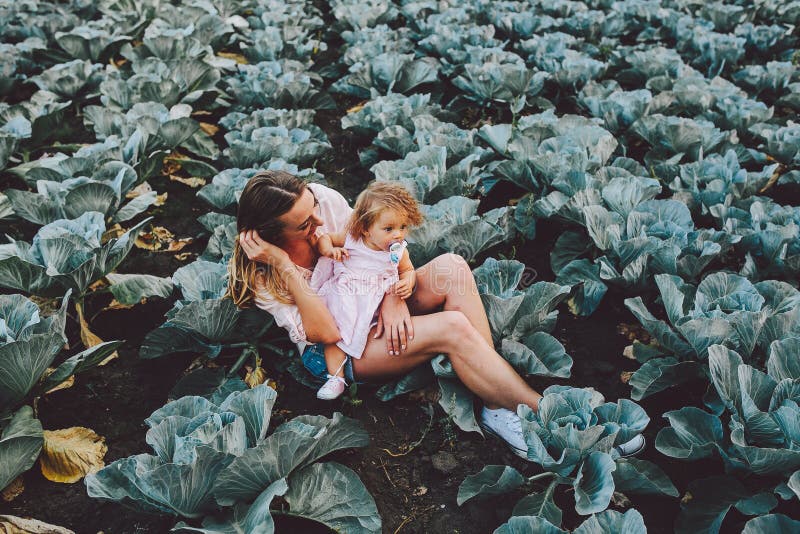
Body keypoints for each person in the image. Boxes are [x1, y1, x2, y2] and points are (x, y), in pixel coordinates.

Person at [228, 170, 645, 459]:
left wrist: (392, 298)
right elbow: (325, 332)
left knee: (452, 267)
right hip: (341, 349)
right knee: (453, 328)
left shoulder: (323, 203)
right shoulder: (264, 274)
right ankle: (557, 422)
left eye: (315, 206)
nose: (320, 220)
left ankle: (497, 405)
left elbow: (378, 250)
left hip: (373, 301)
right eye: (304, 224)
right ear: (273, 235)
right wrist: (284, 265)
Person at [309, 181, 422, 400]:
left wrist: (408, 282)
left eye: (403, 227)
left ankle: (384, 368)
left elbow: (408, 270)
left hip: (374, 303)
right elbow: (325, 238)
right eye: (389, 229)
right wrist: (330, 250)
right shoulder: (352, 239)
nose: (398, 235)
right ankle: (336, 378)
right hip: (344, 296)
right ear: (365, 228)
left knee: (369, 333)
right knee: (336, 335)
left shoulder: (399, 251)